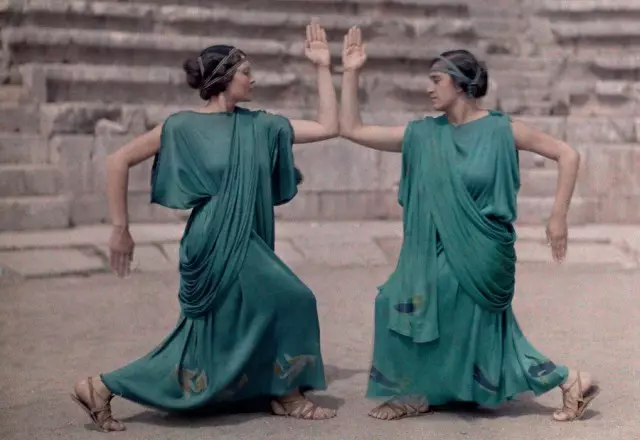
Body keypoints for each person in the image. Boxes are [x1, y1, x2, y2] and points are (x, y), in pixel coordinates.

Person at [70, 22, 339, 432]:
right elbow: (116, 161)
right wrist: (120, 229)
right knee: (295, 300)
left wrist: (323, 67)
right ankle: (287, 396)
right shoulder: (181, 126)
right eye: (246, 72)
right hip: (213, 239)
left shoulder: (261, 125)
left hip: (245, 238)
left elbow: (328, 127)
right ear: (224, 78)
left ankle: (100, 387)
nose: (254, 79)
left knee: (208, 338)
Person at [339, 26, 600, 422]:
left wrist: (558, 216)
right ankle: (569, 382)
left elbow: (568, 154)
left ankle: (419, 392)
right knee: (419, 306)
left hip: (483, 249)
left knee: (426, 304)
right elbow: (353, 130)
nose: (429, 88)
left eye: (436, 80)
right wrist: (351, 72)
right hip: (441, 248)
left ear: (460, 85)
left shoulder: (501, 129)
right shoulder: (424, 134)